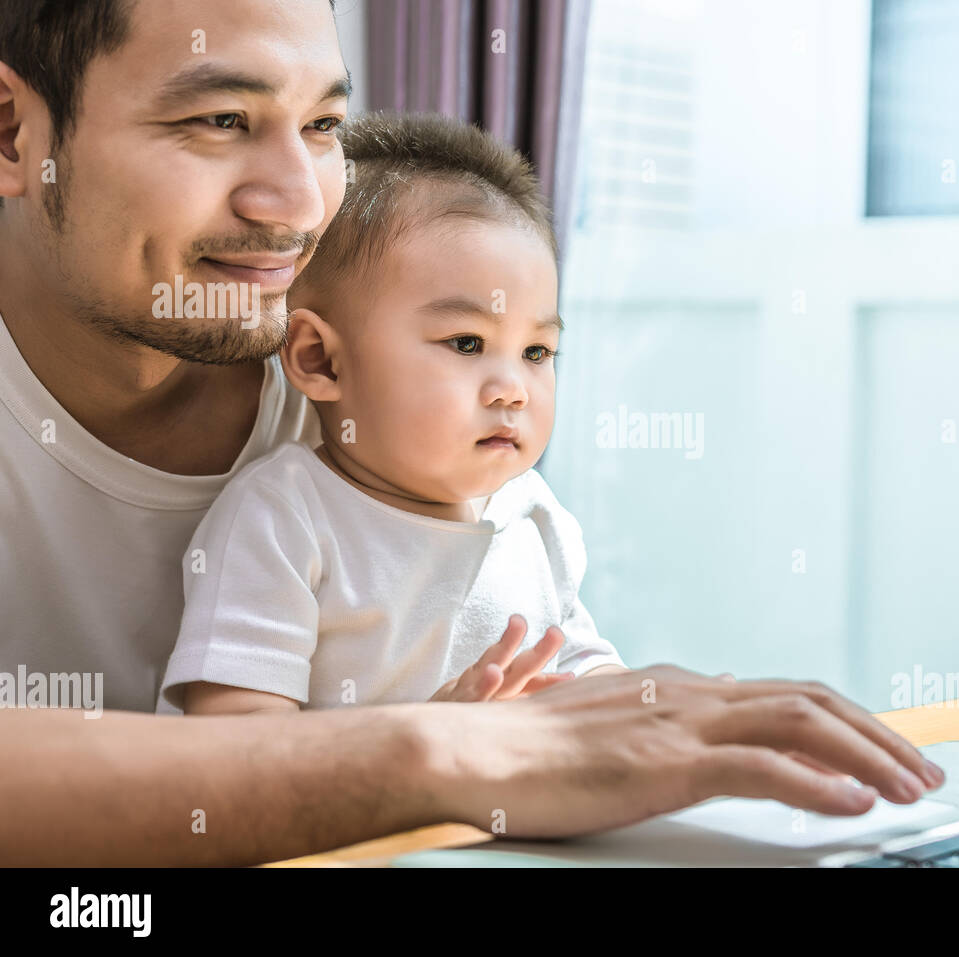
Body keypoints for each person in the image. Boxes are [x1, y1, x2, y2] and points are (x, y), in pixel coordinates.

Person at [0, 0, 943, 866]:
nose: (298, 206)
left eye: (324, 125)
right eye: (218, 121)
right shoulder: (311, 452)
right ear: (14, 133)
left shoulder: (378, 384)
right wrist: (433, 750)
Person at [157, 112, 630, 716]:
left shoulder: (536, 515)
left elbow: (579, 664)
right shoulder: (285, 518)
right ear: (322, 361)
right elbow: (237, 737)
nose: (513, 389)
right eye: (466, 343)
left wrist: (650, 703)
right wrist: (427, 740)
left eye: (537, 351)